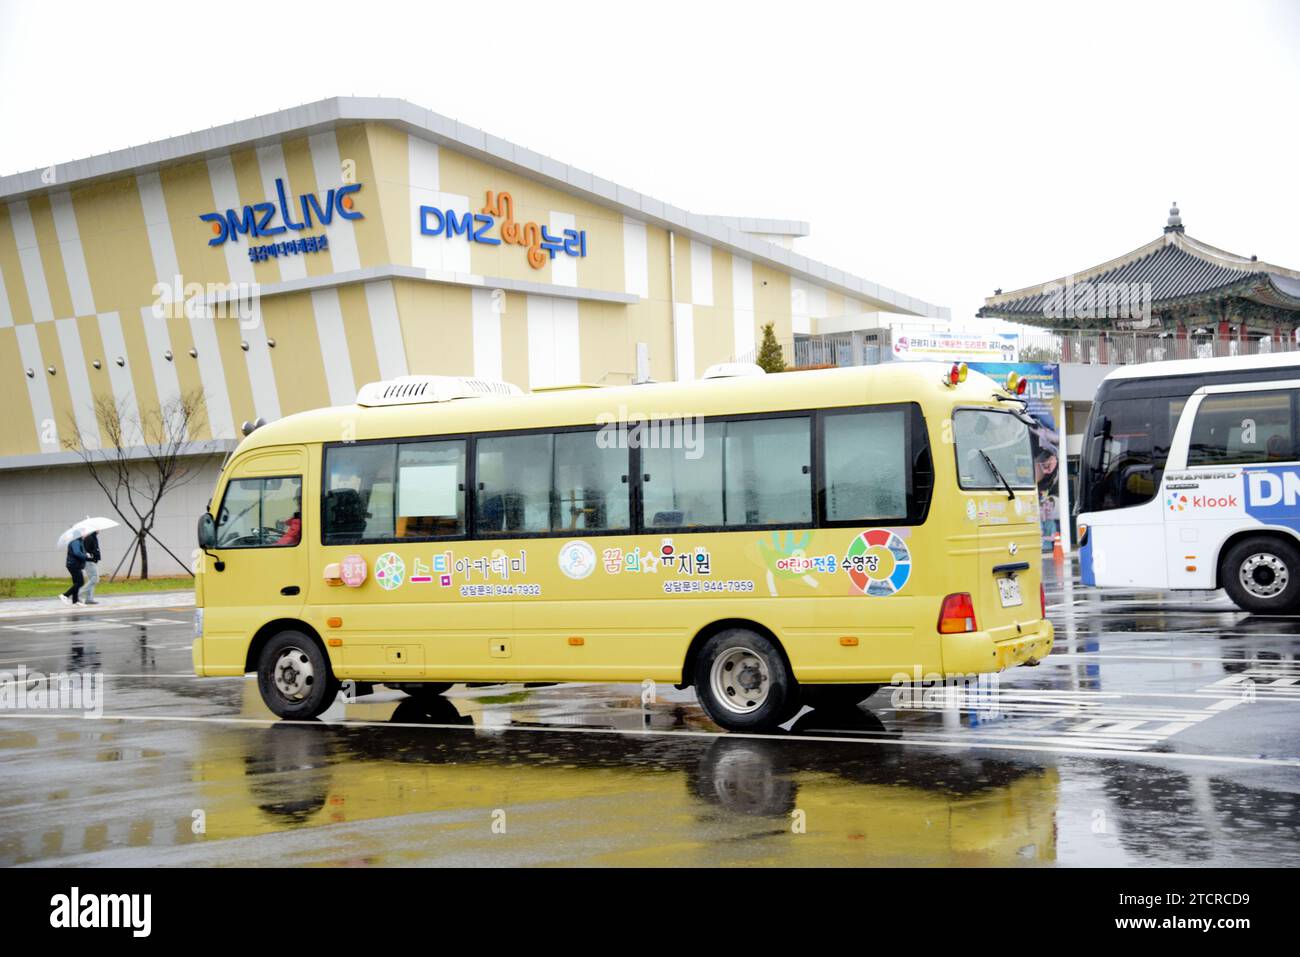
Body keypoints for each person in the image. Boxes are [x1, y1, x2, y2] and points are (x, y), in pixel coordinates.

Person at [60, 534, 88, 606]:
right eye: (84, 532)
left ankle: (75, 601)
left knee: (76, 583)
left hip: (75, 565)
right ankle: (65, 595)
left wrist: (85, 554)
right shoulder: (76, 542)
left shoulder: (79, 541)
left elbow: (79, 552)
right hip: (74, 565)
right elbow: (77, 553)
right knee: (80, 582)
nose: (86, 533)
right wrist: (85, 556)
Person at [81, 531, 102, 604]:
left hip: (92, 561)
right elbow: (85, 551)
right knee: (95, 579)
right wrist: (91, 557)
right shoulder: (89, 538)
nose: (100, 529)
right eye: (98, 528)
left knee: (92, 580)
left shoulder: (93, 537)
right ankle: (79, 592)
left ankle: (89, 599)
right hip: (89, 561)